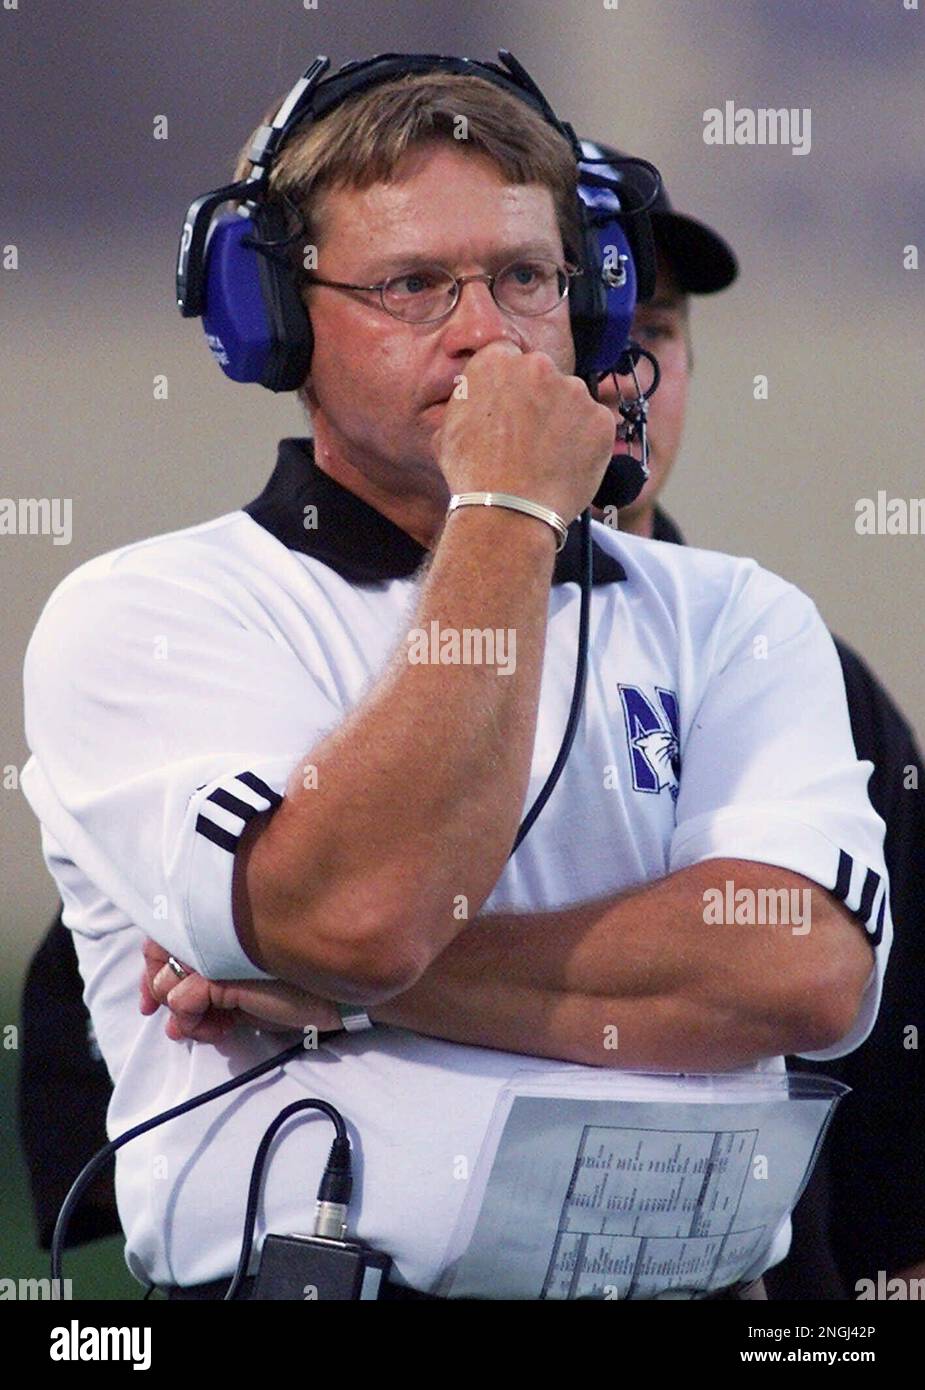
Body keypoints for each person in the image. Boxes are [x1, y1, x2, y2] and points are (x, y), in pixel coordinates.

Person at [20, 58, 890, 1300]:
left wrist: (349, 993)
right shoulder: (149, 613)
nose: (486, 329)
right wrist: (503, 509)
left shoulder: (738, 615)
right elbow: (369, 909)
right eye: (414, 284)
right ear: (273, 318)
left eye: (525, 277)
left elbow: (800, 970)